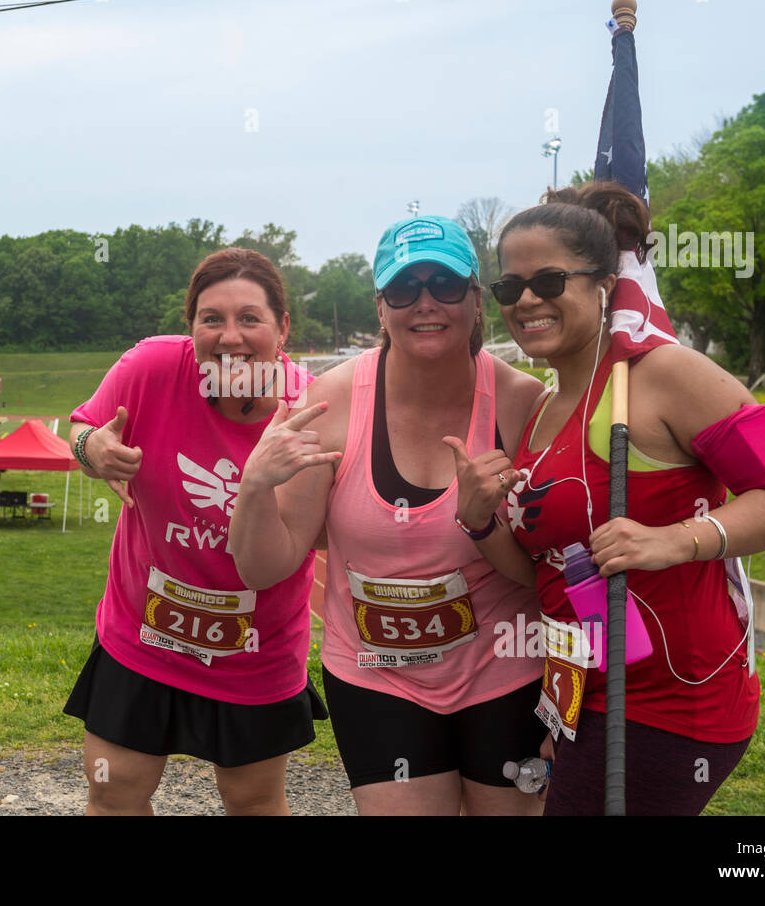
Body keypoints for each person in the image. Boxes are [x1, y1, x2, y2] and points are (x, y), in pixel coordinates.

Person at [457, 182, 765, 815]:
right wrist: (480, 522)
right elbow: (544, 573)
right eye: (509, 288)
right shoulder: (543, 409)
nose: (526, 301)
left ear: (603, 285)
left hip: (674, 700)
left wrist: (673, 540)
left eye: (549, 280)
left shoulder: (663, 375)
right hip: (587, 692)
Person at [230, 215, 549, 816]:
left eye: (445, 285)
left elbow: (556, 565)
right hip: (377, 675)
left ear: (476, 300)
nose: (425, 303)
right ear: (381, 307)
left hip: (504, 670)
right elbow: (264, 567)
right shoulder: (326, 404)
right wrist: (253, 486)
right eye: (404, 289)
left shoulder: (523, 404)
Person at [62, 247, 323, 816]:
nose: (230, 337)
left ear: (283, 327)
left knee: (252, 799)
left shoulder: (314, 407)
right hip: (145, 631)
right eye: (212, 319)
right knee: (114, 789)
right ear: (191, 328)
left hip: (257, 646)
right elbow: (80, 427)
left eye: (249, 318)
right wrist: (94, 449)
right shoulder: (151, 367)